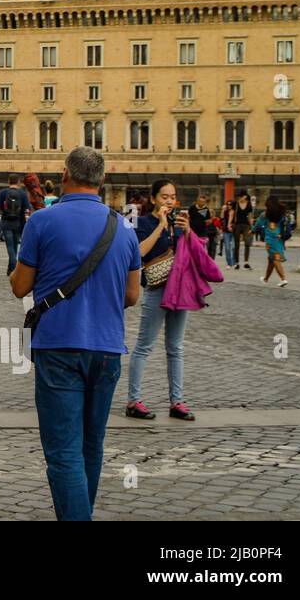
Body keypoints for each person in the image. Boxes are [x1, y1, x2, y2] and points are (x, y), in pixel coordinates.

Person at [11, 147, 142, 522]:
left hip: (58, 347)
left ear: (65, 174)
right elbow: (132, 295)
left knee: (63, 451)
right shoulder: (123, 228)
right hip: (107, 348)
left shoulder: (42, 222)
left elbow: (21, 287)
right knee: (90, 445)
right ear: (102, 179)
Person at [125, 179, 197, 421]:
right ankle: (133, 400)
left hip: (180, 291)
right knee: (144, 346)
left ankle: (177, 402)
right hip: (156, 290)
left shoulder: (179, 225)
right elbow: (139, 252)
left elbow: (194, 254)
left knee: (176, 348)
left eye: (172, 196)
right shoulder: (143, 223)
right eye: (164, 196)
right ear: (154, 198)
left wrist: (187, 232)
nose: (169, 200)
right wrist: (161, 226)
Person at [0, 174, 31, 274]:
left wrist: (1, 211)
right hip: (18, 223)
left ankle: (13, 266)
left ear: (9, 181)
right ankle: (11, 268)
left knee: (10, 246)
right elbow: (27, 210)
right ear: (18, 182)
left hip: (6, 222)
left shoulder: (3, 192)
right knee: (15, 245)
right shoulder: (22, 193)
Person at [255, 196, 289, 287]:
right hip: (279, 238)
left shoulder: (265, 215)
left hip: (270, 240)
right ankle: (266, 279)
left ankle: (283, 279)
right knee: (271, 259)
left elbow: (258, 224)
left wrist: (252, 231)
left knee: (275, 259)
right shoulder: (280, 214)